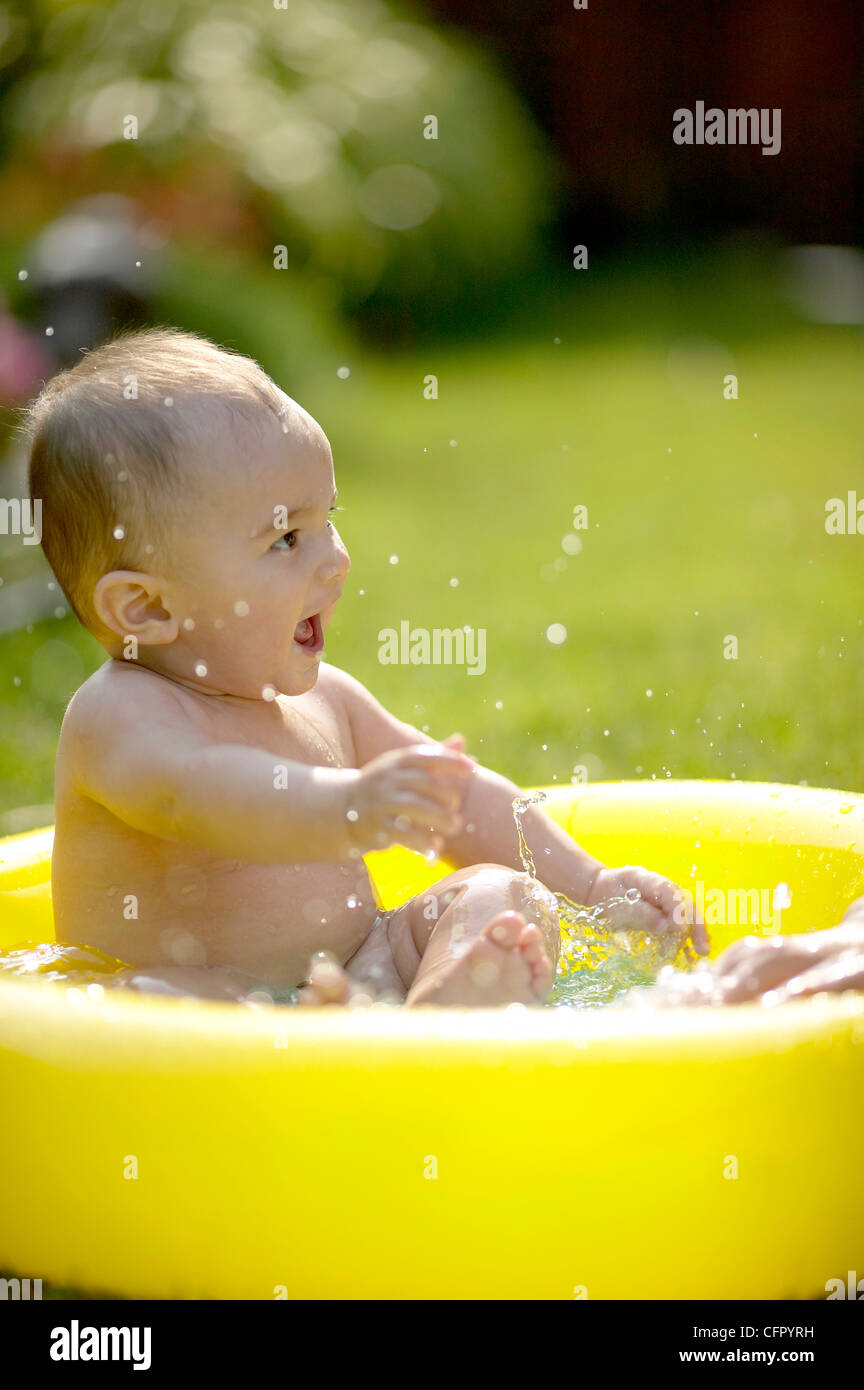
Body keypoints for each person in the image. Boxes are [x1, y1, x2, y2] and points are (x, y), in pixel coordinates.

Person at [23, 326, 707, 1008]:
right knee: (142, 993)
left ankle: (433, 1014)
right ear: (144, 608)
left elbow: (462, 798)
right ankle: (341, 1036)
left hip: (361, 966)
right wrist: (347, 807)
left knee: (503, 894)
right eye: (287, 537)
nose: (337, 558)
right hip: (205, 1012)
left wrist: (591, 885)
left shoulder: (330, 700)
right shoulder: (120, 715)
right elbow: (201, 792)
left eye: (330, 519)